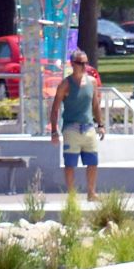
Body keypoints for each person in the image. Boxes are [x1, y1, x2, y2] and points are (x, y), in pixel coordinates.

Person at [50, 51, 105, 200]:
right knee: (70, 163)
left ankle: (91, 193)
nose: (84, 66)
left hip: (88, 127)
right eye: (80, 63)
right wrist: (54, 131)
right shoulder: (65, 84)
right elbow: (55, 108)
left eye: (86, 63)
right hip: (71, 128)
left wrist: (100, 124)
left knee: (93, 162)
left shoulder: (92, 82)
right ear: (73, 64)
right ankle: (72, 195)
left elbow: (95, 105)